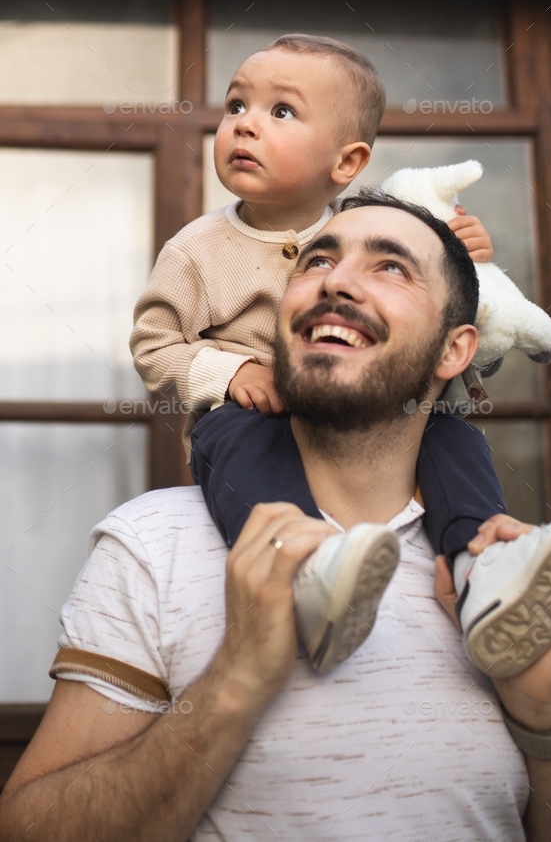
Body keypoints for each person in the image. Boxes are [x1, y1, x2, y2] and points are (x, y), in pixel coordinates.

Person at [2, 194, 551, 842]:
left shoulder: (517, 579)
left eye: (391, 267)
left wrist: (542, 715)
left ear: (456, 350)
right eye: (316, 261)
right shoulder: (151, 542)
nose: (335, 279)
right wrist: (237, 677)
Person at [130, 33, 505, 671]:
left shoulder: (370, 225)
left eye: (281, 112)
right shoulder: (196, 251)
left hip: (372, 417)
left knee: (456, 440)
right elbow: (152, 347)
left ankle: (484, 570)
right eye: (235, 106)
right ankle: (308, 579)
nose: (244, 126)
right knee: (243, 451)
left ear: (346, 161)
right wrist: (232, 371)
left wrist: (464, 263)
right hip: (249, 419)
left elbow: (459, 338)